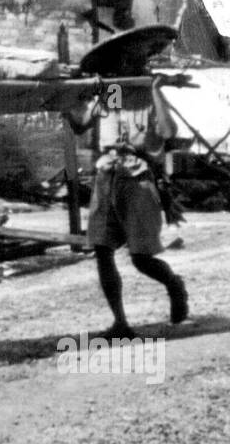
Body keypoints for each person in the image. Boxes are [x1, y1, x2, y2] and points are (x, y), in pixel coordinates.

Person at [63, 76, 189, 335]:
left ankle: (173, 284)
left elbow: (168, 132)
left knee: (141, 258)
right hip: (107, 177)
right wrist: (64, 98)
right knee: (102, 249)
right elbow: (81, 125)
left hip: (138, 180)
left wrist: (156, 90)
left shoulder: (149, 97)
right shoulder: (111, 94)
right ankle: (120, 323)